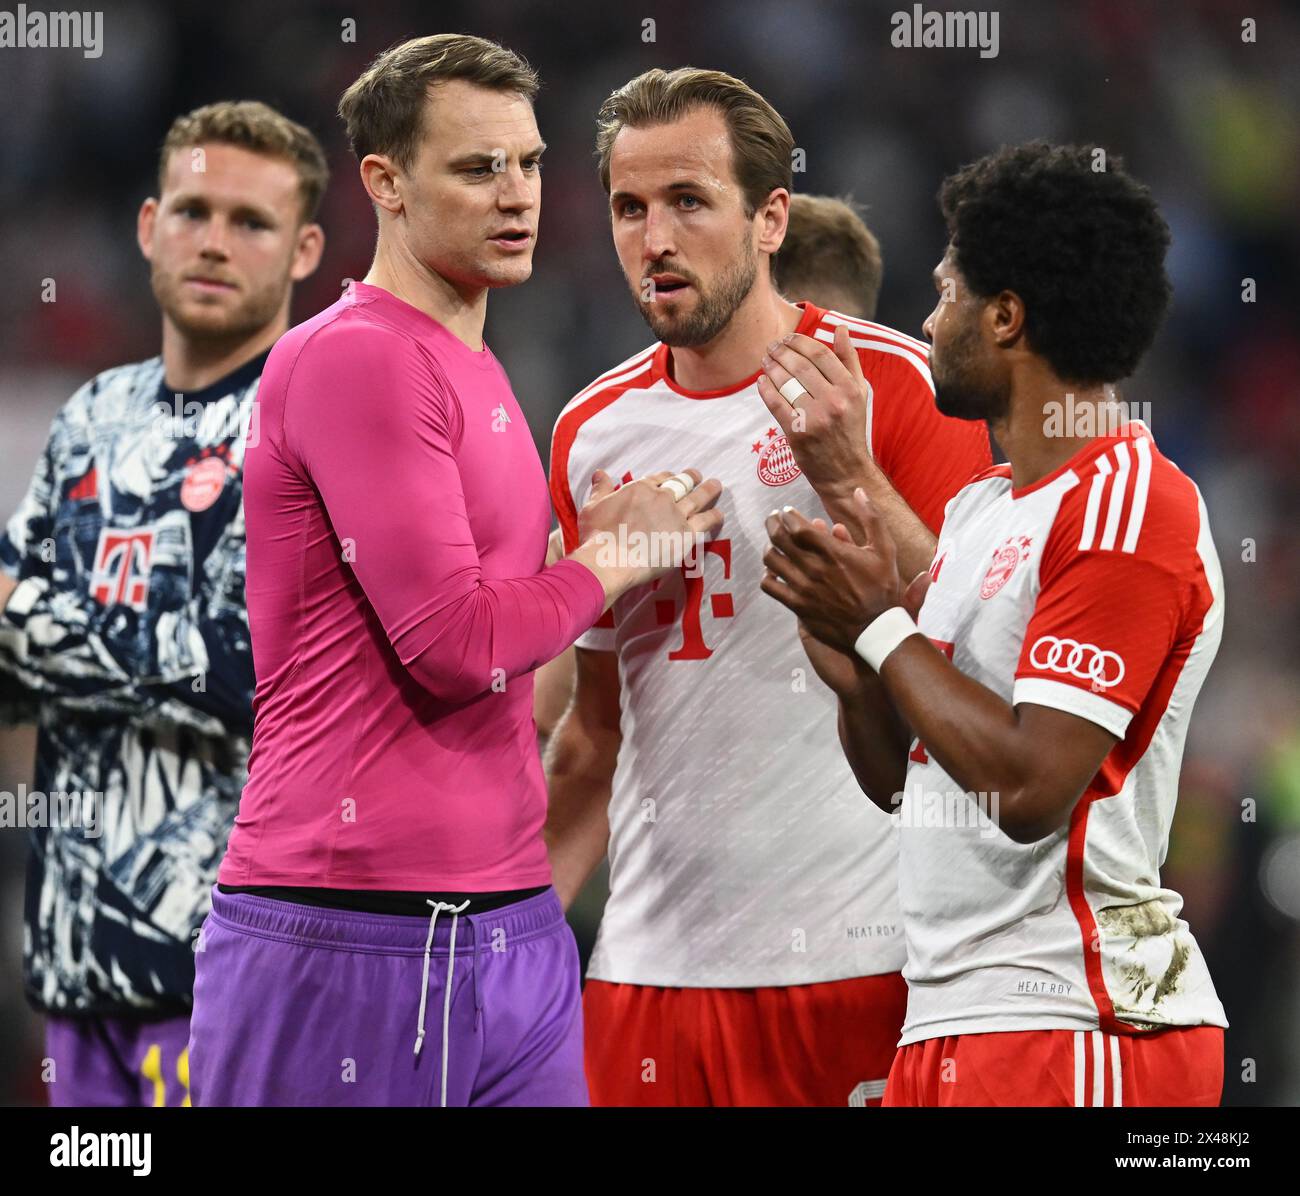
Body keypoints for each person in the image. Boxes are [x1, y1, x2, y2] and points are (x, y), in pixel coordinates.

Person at [187, 34, 722, 1109]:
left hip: (510, 921)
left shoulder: (470, 362)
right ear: (382, 182)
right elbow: (454, 644)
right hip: (348, 932)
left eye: (526, 163)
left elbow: (503, 639)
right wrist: (613, 557)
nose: (515, 193)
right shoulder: (357, 356)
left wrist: (584, 571)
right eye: (476, 168)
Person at [544, 67, 991, 1106]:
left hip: (859, 966)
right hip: (644, 977)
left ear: (769, 216)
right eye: (628, 207)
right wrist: (506, 946)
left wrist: (848, 474)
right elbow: (593, 732)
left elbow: (978, 661)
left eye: (688, 202)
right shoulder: (587, 431)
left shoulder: (897, 385)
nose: (653, 239)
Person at [760, 142, 1227, 1107]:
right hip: (952, 1015)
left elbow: (1027, 788)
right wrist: (857, 668)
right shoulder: (982, 510)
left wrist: (884, 628)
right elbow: (907, 780)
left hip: (1077, 1020)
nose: (929, 323)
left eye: (944, 293)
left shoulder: (1131, 506)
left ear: (1005, 316)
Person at [0, 100, 327, 1106]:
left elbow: (249, 677)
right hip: (73, 957)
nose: (215, 242)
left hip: (230, 967)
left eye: (251, 221)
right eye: (193, 211)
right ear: (148, 226)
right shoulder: (92, 411)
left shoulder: (313, 420)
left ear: (306, 249)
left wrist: (38, 620)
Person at [532, 192, 885, 742]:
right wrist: (592, 573)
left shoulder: (897, 399)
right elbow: (564, 723)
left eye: (827, 336)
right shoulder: (602, 443)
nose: (811, 369)